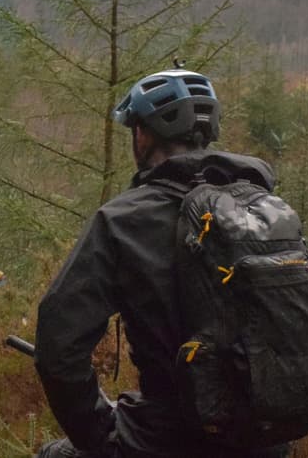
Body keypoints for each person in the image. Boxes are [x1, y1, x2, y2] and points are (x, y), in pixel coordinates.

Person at [33, 68, 290, 458]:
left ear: (142, 134)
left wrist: (102, 435)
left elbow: (58, 347)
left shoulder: (122, 220)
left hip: (163, 438)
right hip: (266, 438)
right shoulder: (266, 210)